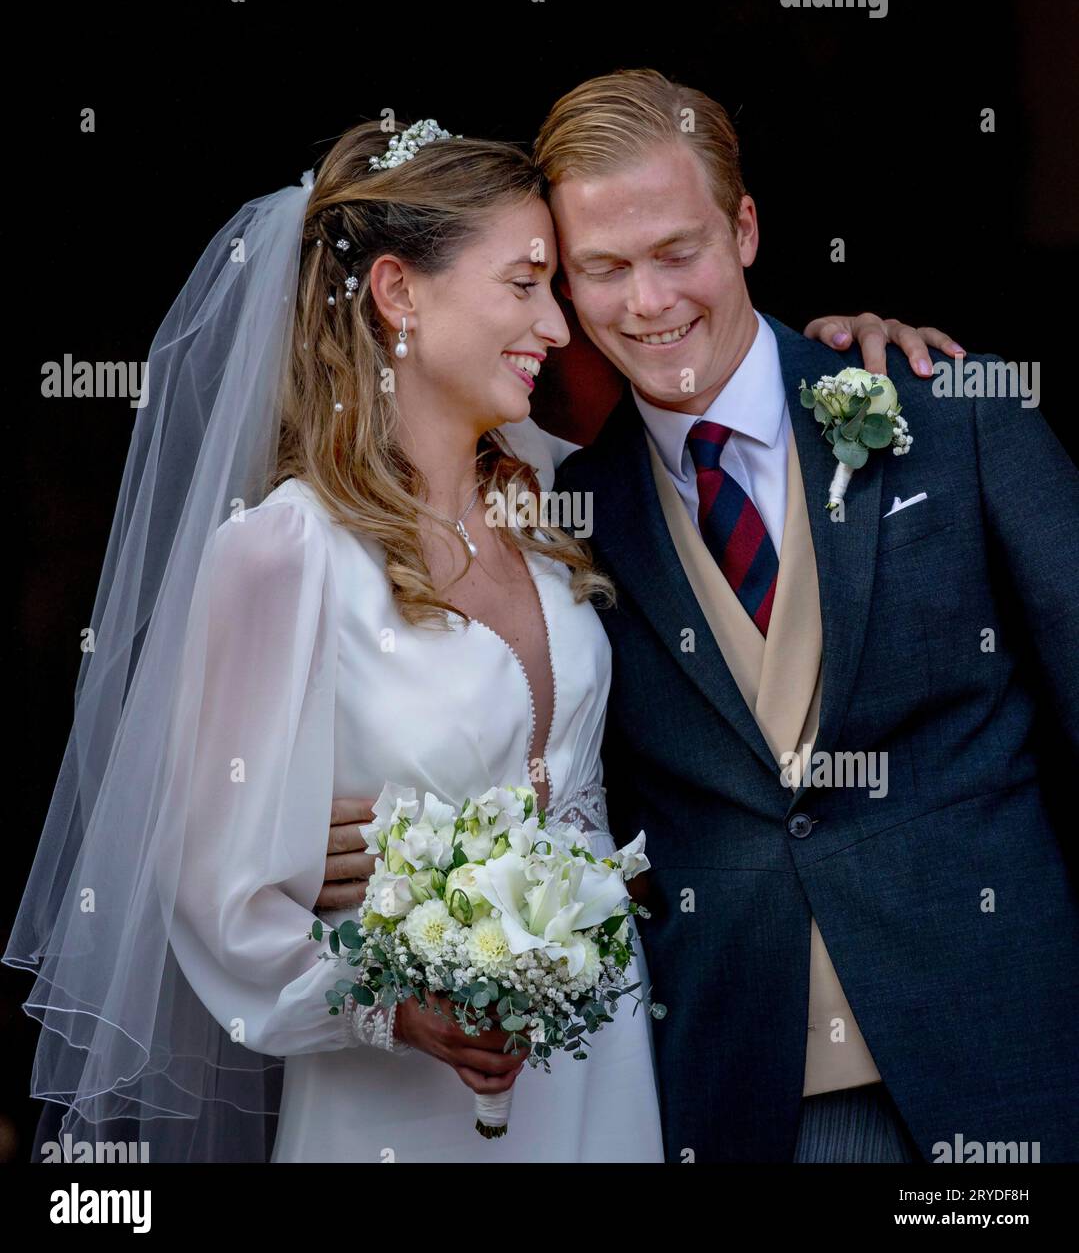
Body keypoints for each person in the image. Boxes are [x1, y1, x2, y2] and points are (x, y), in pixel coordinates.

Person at [9, 106, 946, 1165]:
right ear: (398, 291)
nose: (560, 325)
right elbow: (220, 897)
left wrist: (839, 357)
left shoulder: (562, 489)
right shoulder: (285, 550)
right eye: (524, 284)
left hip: (607, 1060)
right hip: (406, 1101)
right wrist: (391, 1002)